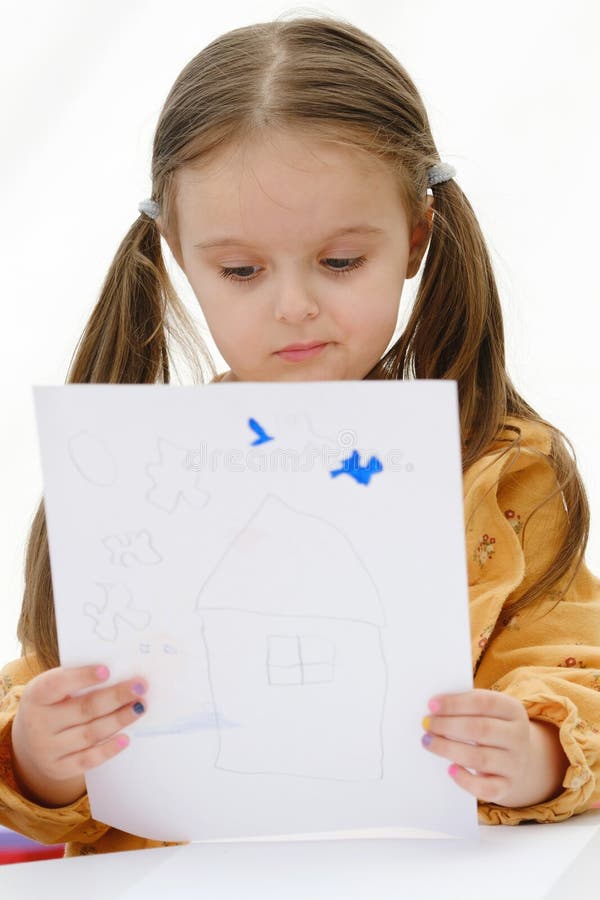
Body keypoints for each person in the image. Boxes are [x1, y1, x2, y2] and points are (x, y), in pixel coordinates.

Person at [1, 14, 599, 858]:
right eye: (241, 271)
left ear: (415, 237)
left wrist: (535, 753)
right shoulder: (138, 473)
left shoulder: (498, 473)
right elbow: (45, 723)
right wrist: (42, 758)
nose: (293, 307)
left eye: (342, 261)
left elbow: (576, 668)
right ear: (179, 255)